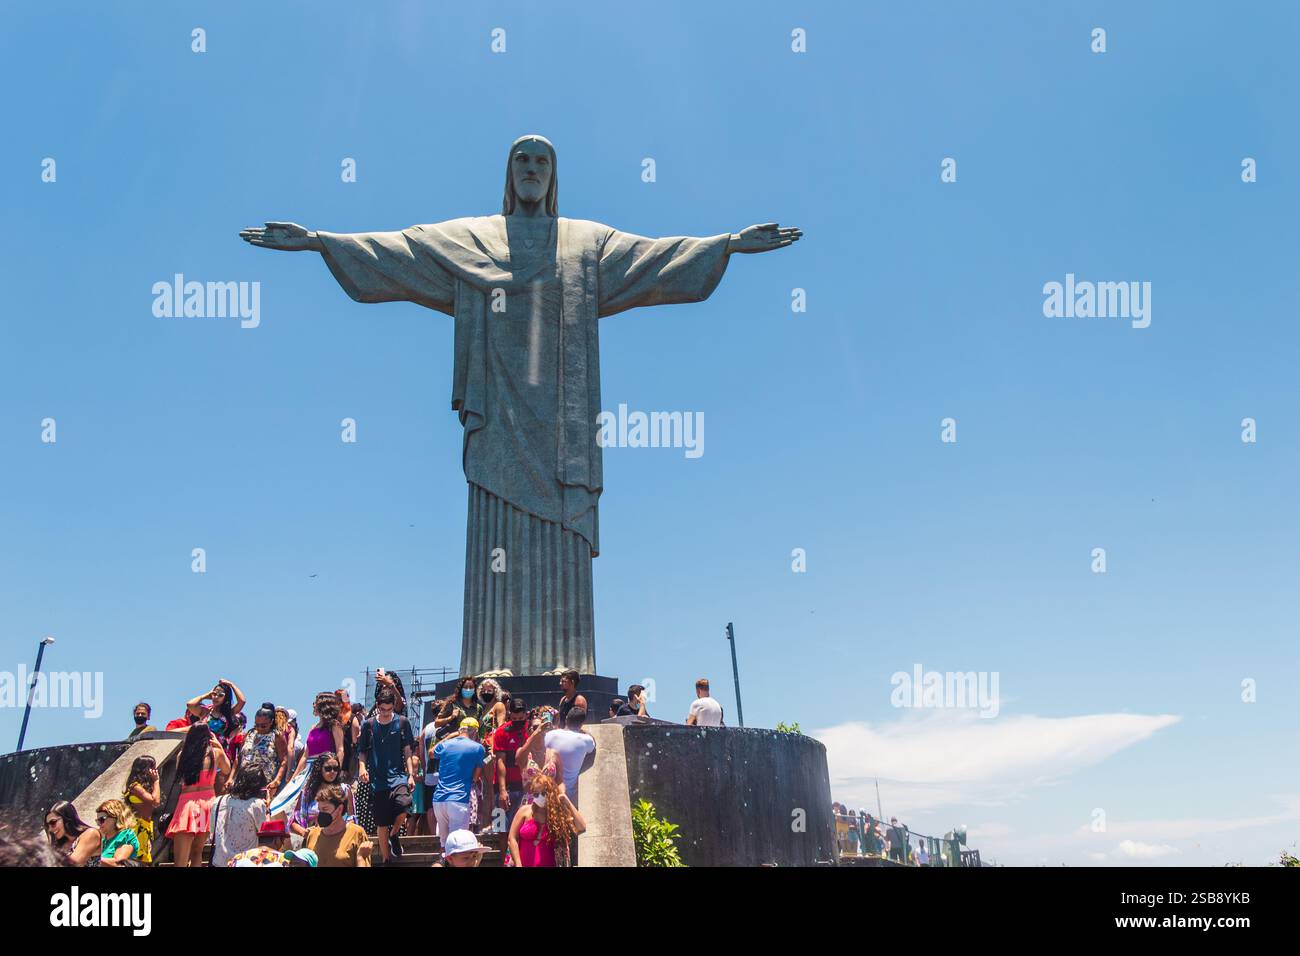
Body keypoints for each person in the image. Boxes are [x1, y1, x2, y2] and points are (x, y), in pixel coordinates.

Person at [356, 688, 417, 864]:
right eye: (383, 710)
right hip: (378, 779)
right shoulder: (368, 725)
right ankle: (386, 858)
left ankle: (395, 832)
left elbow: (407, 751)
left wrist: (411, 775)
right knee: (381, 822)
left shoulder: (402, 722)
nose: (386, 713)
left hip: (398, 775)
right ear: (377, 706)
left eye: (389, 710)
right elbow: (362, 752)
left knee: (405, 804)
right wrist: (362, 768)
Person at [165, 722, 231, 867]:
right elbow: (227, 770)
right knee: (198, 851)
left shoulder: (183, 755)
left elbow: (180, 778)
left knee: (180, 858)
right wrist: (219, 746)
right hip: (207, 803)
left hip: (187, 803)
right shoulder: (215, 753)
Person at [507, 774, 586, 868]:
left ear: (551, 793)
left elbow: (582, 828)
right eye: (536, 794)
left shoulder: (558, 815)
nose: (540, 797)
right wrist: (518, 864)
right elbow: (512, 838)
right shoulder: (524, 811)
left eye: (544, 793)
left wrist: (567, 802)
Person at [431, 717, 485, 844]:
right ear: (475, 732)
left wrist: (449, 736)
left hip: (439, 800)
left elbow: (431, 752)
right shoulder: (478, 748)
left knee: (444, 842)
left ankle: (443, 862)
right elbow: (475, 778)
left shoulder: (446, 744)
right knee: (458, 843)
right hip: (459, 800)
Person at [210, 763, 269, 867]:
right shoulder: (256, 805)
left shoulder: (218, 801)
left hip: (219, 862)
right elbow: (267, 835)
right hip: (245, 863)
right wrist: (268, 809)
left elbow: (212, 832)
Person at [491, 697, 529, 850]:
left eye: (520, 718)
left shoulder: (530, 730)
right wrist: (501, 791)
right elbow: (500, 762)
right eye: (514, 718)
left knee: (521, 830)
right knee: (501, 829)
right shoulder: (502, 732)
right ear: (509, 716)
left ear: (526, 715)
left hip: (523, 788)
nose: (518, 721)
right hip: (502, 789)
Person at [304, 784, 372, 867]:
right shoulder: (312, 834)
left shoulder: (357, 833)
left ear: (339, 809)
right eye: (319, 809)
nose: (321, 813)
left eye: (325, 809)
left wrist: (360, 858)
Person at [290, 754, 353, 837]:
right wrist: (303, 832)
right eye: (328, 768)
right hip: (312, 838)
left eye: (336, 768)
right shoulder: (307, 792)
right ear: (320, 769)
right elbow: (293, 822)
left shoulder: (345, 790)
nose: (333, 772)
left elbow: (351, 818)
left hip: (338, 837)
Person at [237, 702, 288, 800]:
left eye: (263, 726)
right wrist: (232, 777)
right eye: (257, 725)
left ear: (271, 722)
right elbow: (239, 757)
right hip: (244, 782)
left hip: (265, 784)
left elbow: (284, 760)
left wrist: (277, 780)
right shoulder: (250, 734)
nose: (260, 728)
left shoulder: (276, 736)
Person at [544, 707, 595, 802]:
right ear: (581, 724)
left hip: (548, 790)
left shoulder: (550, 735)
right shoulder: (586, 740)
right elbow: (592, 748)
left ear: (566, 719)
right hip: (569, 795)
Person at [122, 755, 161, 864]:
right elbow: (155, 801)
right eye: (153, 767)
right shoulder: (134, 786)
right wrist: (156, 781)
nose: (155, 771)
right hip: (136, 827)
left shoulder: (147, 787)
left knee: (144, 860)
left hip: (145, 826)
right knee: (136, 860)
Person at [517, 708, 560, 800]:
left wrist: (562, 795)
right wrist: (536, 732)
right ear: (529, 731)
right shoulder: (523, 752)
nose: (540, 729)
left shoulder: (554, 752)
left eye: (542, 726)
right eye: (535, 727)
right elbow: (519, 760)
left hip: (551, 802)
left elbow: (560, 782)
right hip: (530, 802)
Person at [44, 800, 99, 866]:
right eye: (47, 826)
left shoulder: (91, 834)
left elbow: (73, 864)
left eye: (53, 822)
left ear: (66, 818)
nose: (50, 829)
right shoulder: (61, 846)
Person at [95, 800, 139, 866]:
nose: (98, 824)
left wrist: (91, 858)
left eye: (102, 820)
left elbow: (118, 863)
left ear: (116, 817)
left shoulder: (126, 835)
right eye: (97, 821)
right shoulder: (103, 840)